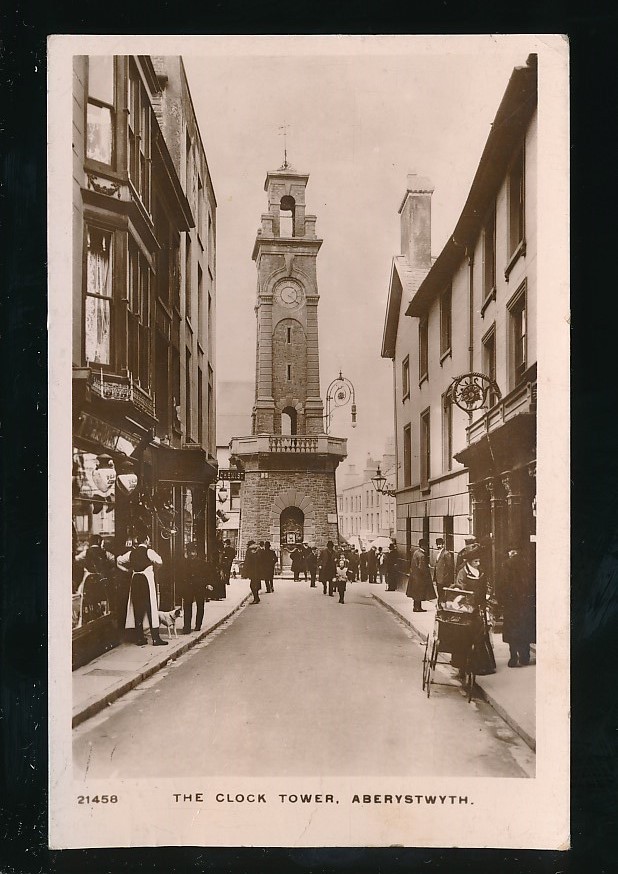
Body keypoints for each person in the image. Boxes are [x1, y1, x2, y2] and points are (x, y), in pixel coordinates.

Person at [452, 543, 496, 676]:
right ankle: (462, 666)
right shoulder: (462, 572)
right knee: (464, 637)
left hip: (479, 607)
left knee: (480, 636)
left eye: (478, 561)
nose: (478, 563)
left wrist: (487, 594)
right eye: (475, 561)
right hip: (466, 609)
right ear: (470, 561)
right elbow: (459, 588)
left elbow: (488, 584)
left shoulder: (481, 571)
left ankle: (481, 666)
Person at [117, 530, 167, 646]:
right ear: (146, 540)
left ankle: (139, 638)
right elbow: (160, 561)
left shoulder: (131, 553)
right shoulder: (149, 551)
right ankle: (155, 638)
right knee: (151, 607)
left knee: (137, 608)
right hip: (147, 580)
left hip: (135, 580)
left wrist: (127, 570)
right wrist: (155, 568)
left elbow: (118, 560)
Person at [496, 546, 536, 667]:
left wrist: (501, 601)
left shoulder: (506, 565)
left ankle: (513, 657)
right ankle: (525, 657)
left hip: (511, 605)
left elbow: (502, 584)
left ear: (512, 552)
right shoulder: (528, 563)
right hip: (526, 605)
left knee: (512, 631)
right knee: (525, 630)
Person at [73, 534, 116, 626]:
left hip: (89, 578)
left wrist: (85, 564)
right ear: (99, 542)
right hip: (100, 578)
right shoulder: (105, 553)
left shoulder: (86, 552)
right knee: (103, 598)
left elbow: (76, 559)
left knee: (84, 597)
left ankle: (86, 619)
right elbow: (113, 560)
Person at [181, 542, 210, 632]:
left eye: (193, 552)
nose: (192, 554)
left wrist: (207, 584)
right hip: (188, 587)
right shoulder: (184, 563)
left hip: (200, 587)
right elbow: (181, 575)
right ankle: (187, 627)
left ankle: (198, 625)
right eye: (190, 552)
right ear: (188, 552)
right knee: (187, 606)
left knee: (200, 606)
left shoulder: (202, 563)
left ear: (196, 552)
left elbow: (207, 575)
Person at [405, 539, 436, 612]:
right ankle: (418, 608)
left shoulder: (416, 552)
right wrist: (426, 573)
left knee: (416, 593)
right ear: (423, 546)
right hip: (420, 577)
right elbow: (422, 567)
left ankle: (415, 607)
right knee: (419, 593)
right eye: (426, 545)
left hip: (414, 576)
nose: (427, 547)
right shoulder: (422, 555)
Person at [434, 537, 455, 604]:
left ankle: (441, 609)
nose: (438, 546)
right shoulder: (438, 553)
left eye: (440, 544)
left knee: (443, 595)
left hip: (444, 579)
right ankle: (439, 608)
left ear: (443, 544)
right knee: (440, 594)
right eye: (437, 544)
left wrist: (447, 579)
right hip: (439, 579)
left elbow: (450, 567)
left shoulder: (446, 553)